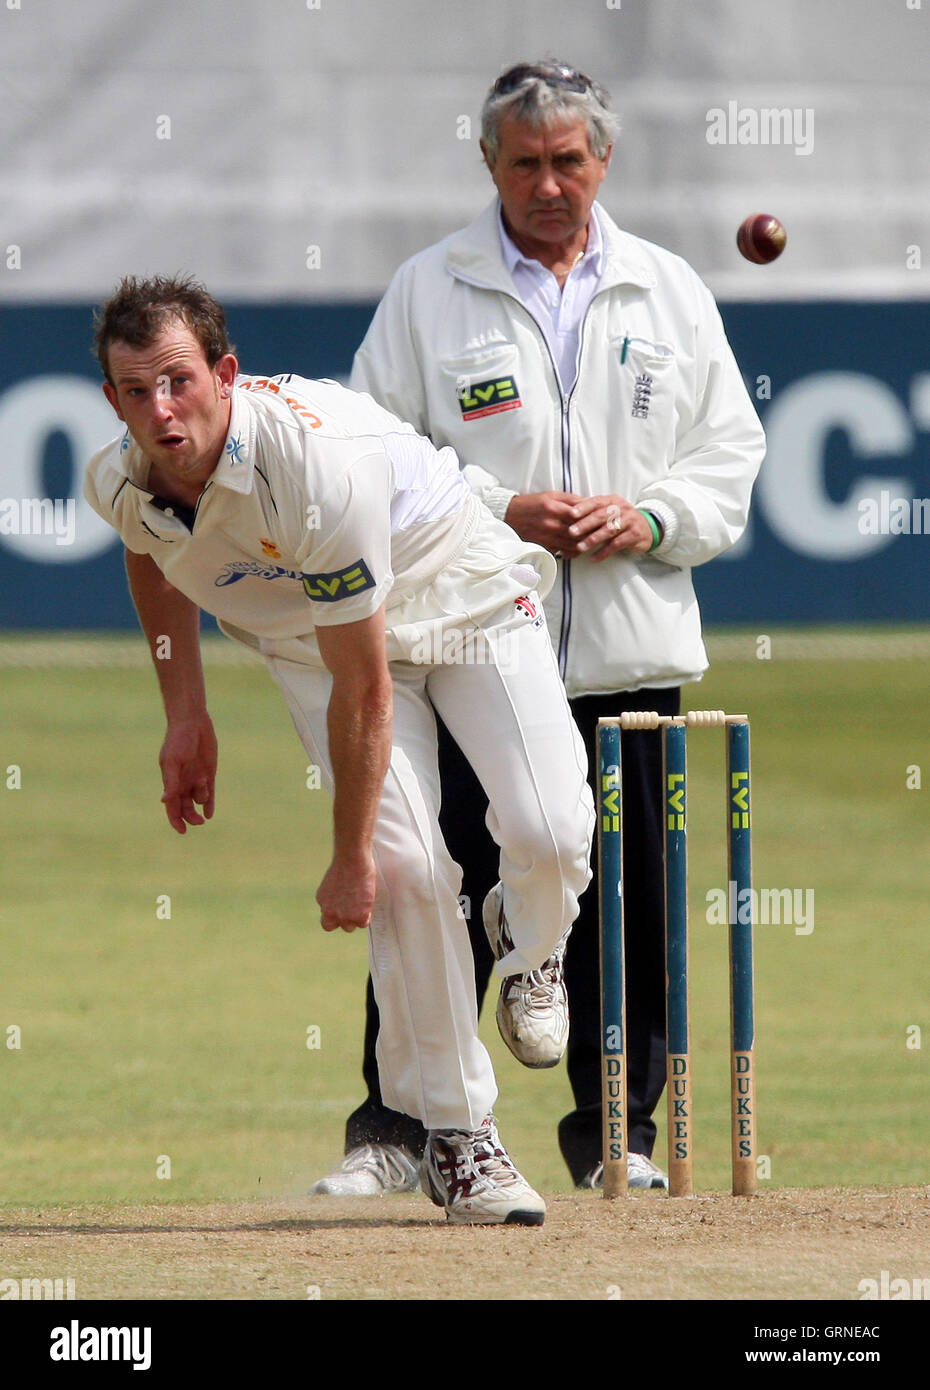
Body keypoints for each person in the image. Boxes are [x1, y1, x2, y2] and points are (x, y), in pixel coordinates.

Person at [310, 61, 766, 1196]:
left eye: (570, 160)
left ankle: (623, 1136)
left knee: (629, 893)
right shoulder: (430, 288)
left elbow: (730, 460)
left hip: (628, 646)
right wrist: (498, 509)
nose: (550, 184)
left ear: (602, 161)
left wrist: (649, 514)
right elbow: (368, 459)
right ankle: (398, 1129)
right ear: (489, 163)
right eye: (527, 163)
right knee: (435, 874)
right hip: (465, 639)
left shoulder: (667, 289)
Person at [83, 274, 595, 1226]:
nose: (162, 410)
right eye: (137, 392)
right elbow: (149, 552)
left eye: (179, 381)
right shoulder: (117, 477)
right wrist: (185, 715)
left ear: (223, 375)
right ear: (112, 401)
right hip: (316, 642)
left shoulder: (313, 466)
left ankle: (535, 949)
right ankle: (461, 1139)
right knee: (410, 873)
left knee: (551, 830)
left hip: (459, 596)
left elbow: (369, 690)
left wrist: (345, 856)